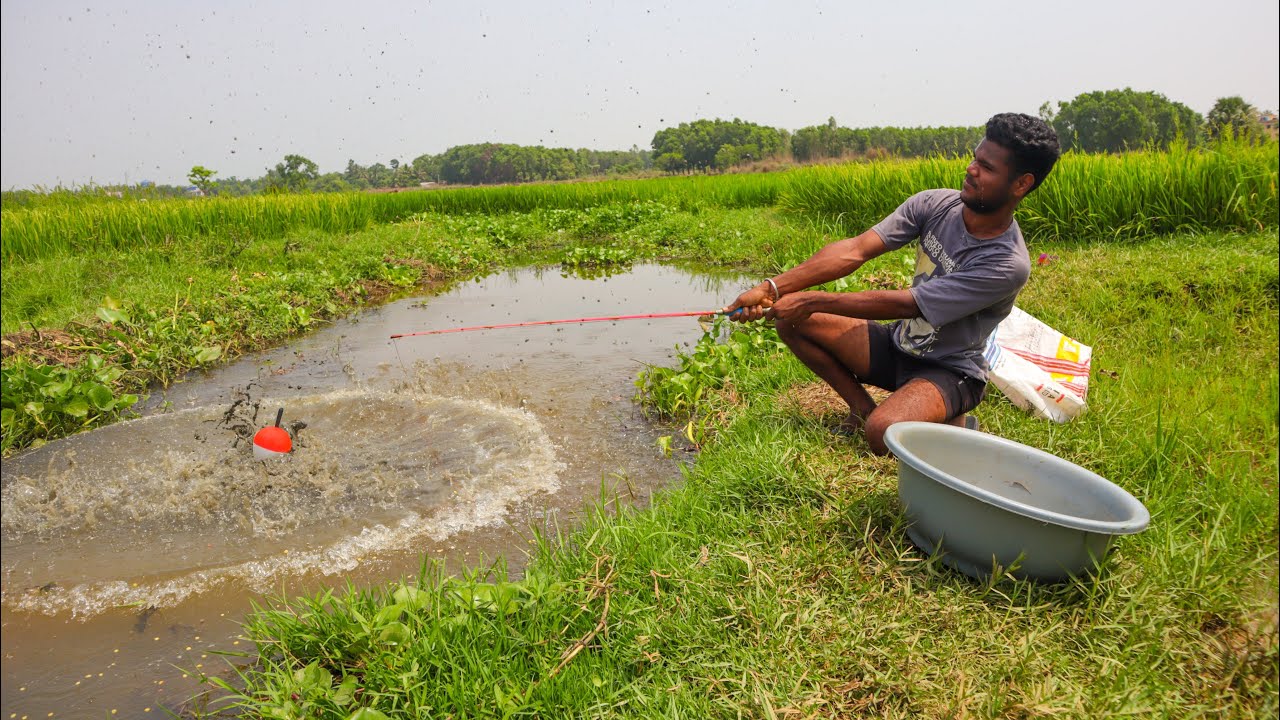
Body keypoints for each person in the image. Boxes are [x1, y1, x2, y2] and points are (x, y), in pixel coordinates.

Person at [724, 113, 1060, 455]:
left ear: (1021, 184)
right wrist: (772, 289)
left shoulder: (1006, 264)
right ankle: (861, 409)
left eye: (987, 168)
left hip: (949, 370)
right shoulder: (936, 204)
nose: (972, 169)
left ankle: (949, 417)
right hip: (900, 345)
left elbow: (908, 303)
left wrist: (812, 300)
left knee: (882, 433)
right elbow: (855, 250)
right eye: (975, 158)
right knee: (792, 322)